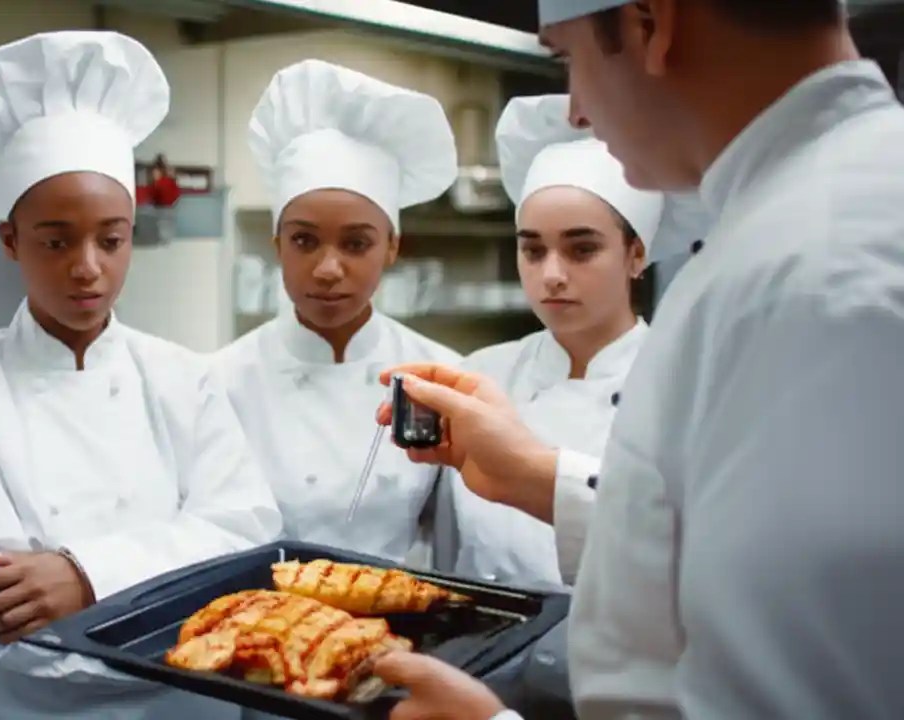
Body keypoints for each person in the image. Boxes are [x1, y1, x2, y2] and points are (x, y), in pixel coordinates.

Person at [374, 0, 904, 718]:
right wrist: (533, 476)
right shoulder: (817, 219)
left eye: (569, 59)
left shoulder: (817, 269)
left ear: (653, 24)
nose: (577, 110)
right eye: (533, 248)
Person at [0, 31, 282, 719]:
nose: (87, 267)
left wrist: (84, 576)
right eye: (57, 241)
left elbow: (245, 539)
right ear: (10, 239)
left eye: (111, 239)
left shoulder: (184, 378)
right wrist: (174, 600)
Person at [212, 59, 470, 567]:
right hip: (254, 609)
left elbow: (453, 547)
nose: (328, 269)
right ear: (277, 244)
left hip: (397, 609)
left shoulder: (441, 378)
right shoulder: (218, 382)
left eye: (356, 244)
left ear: (392, 247)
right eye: (304, 240)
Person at [439, 94, 669, 588]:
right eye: (533, 250)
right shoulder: (481, 375)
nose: (552, 275)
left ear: (636, 255)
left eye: (581, 249)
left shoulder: (682, 387)